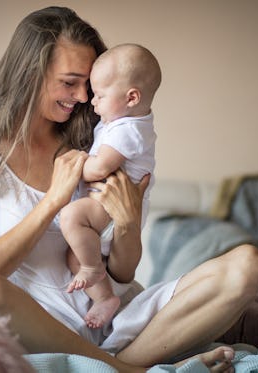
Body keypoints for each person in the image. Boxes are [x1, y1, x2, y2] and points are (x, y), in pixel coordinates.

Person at [0, 6, 258, 373]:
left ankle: (117, 365)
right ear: (30, 74)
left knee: (249, 264)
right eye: (69, 82)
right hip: (36, 325)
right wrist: (53, 201)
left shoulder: (97, 142)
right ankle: (128, 369)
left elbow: (122, 273)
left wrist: (127, 224)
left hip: (116, 317)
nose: (82, 96)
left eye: (89, 85)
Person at [60, 43, 160, 329]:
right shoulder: (119, 121)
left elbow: (100, 167)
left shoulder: (130, 129)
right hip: (107, 210)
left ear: (131, 97)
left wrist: (72, 163)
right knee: (73, 254)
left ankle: (93, 270)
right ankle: (105, 298)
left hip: (112, 208)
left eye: (100, 95)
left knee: (71, 217)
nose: (92, 102)